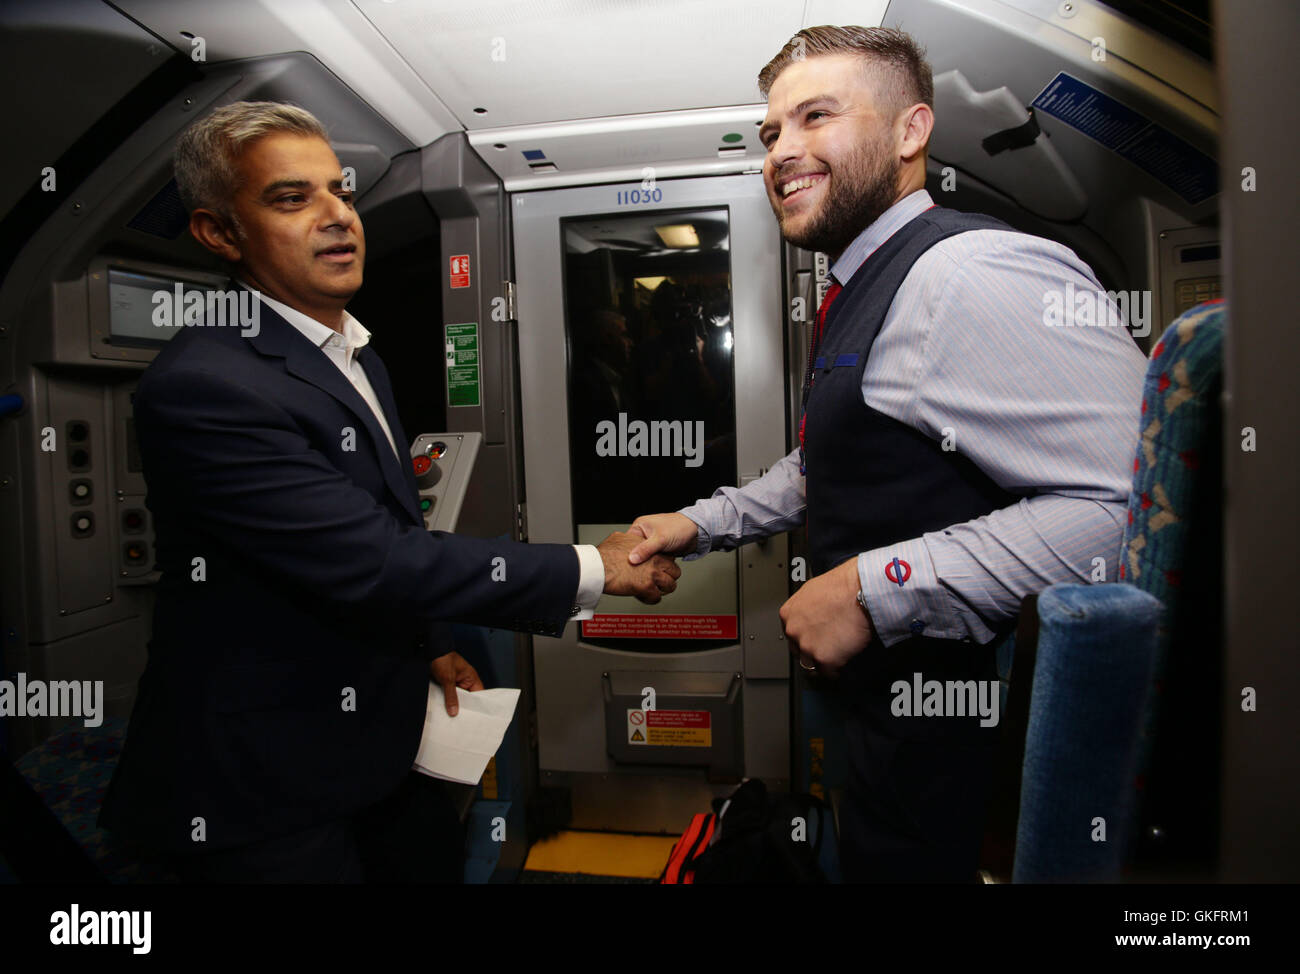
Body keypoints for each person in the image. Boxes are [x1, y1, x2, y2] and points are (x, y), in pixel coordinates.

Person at [97, 101, 680, 882]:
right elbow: (371, 558)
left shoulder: (357, 355)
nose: (339, 217)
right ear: (218, 233)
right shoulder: (207, 385)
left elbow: (383, 523)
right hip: (259, 788)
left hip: (378, 739)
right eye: (291, 198)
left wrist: (433, 642)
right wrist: (597, 567)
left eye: (340, 191)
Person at [626, 26, 1146, 882]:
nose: (780, 152)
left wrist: (880, 588)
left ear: (911, 133)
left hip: (964, 746)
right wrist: (699, 523)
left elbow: (1129, 512)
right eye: (770, 134)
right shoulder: (865, 283)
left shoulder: (968, 275)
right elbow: (835, 457)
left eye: (815, 116)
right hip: (890, 724)